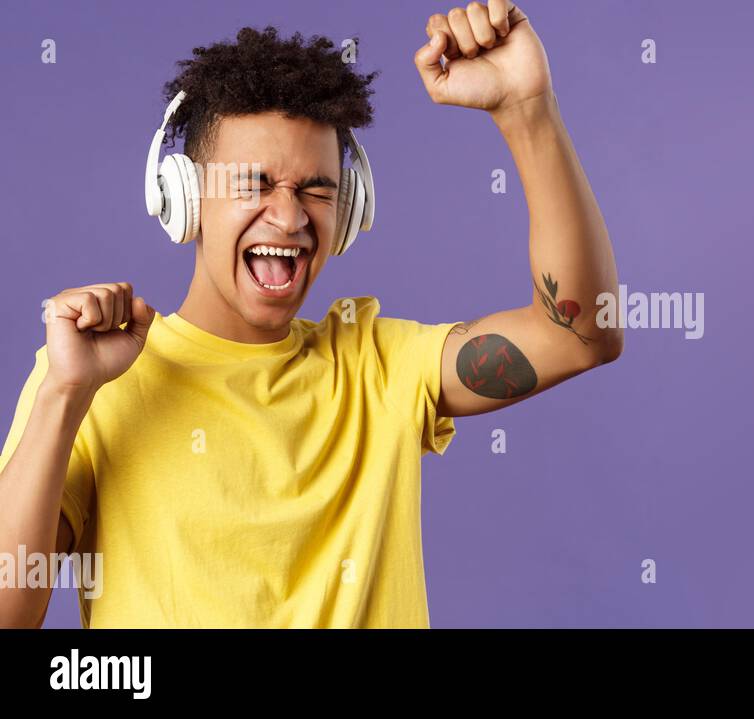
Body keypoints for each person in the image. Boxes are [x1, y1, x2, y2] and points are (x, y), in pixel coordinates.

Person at [0, 1, 621, 628]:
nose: (290, 217)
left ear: (349, 213)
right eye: (254, 184)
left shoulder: (377, 366)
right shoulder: (88, 383)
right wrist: (63, 392)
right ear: (182, 199)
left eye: (316, 189)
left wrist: (526, 111)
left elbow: (579, 334)